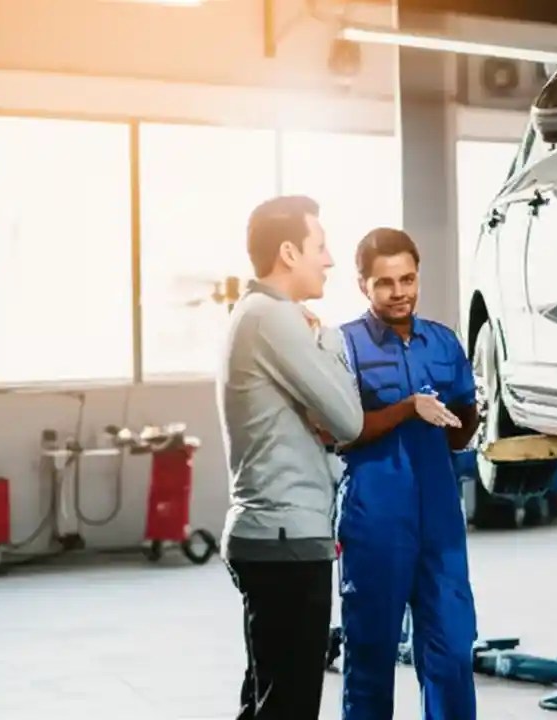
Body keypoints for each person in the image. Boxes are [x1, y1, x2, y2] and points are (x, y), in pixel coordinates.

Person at [217, 195, 364, 720]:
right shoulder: (275, 319)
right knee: (290, 706)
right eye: (319, 247)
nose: (328, 259)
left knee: (267, 699)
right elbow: (349, 420)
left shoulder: (253, 315)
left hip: (271, 537)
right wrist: (322, 339)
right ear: (287, 252)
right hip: (285, 542)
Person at [334, 227, 481, 720]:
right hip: (375, 517)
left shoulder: (442, 340)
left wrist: (471, 415)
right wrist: (410, 408)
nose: (399, 292)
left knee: (453, 650)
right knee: (371, 652)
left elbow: (461, 423)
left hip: (440, 517)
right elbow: (342, 432)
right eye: (385, 282)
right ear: (363, 285)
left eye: (408, 278)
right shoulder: (343, 346)